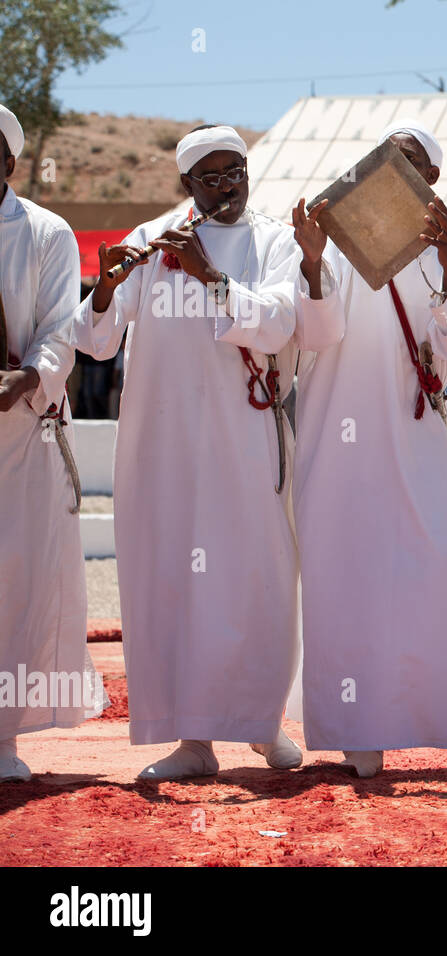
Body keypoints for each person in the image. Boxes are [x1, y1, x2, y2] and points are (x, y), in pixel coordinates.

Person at [72, 125, 321, 780]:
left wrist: (210, 276)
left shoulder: (273, 240)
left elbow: (277, 322)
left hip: (246, 439)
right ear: (186, 186)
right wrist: (101, 287)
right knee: (173, 581)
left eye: (234, 170)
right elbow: (95, 341)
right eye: (210, 177)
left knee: (259, 580)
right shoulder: (150, 240)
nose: (227, 185)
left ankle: (261, 724)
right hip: (165, 449)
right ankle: (191, 740)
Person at [289, 120, 447, 778]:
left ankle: (438, 714)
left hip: (419, 434)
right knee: (348, 579)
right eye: (392, 160)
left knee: (434, 572)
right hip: (338, 443)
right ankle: (358, 727)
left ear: (432, 182)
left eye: (417, 164)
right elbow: (315, 333)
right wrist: (313, 262)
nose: (402, 171)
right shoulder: (332, 235)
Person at [0, 104, 105, 782]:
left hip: (20, 434)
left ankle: (3, 735)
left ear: (6, 161)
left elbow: (63, 328)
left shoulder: (45, 231)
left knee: (15, 582)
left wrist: (30, 377)